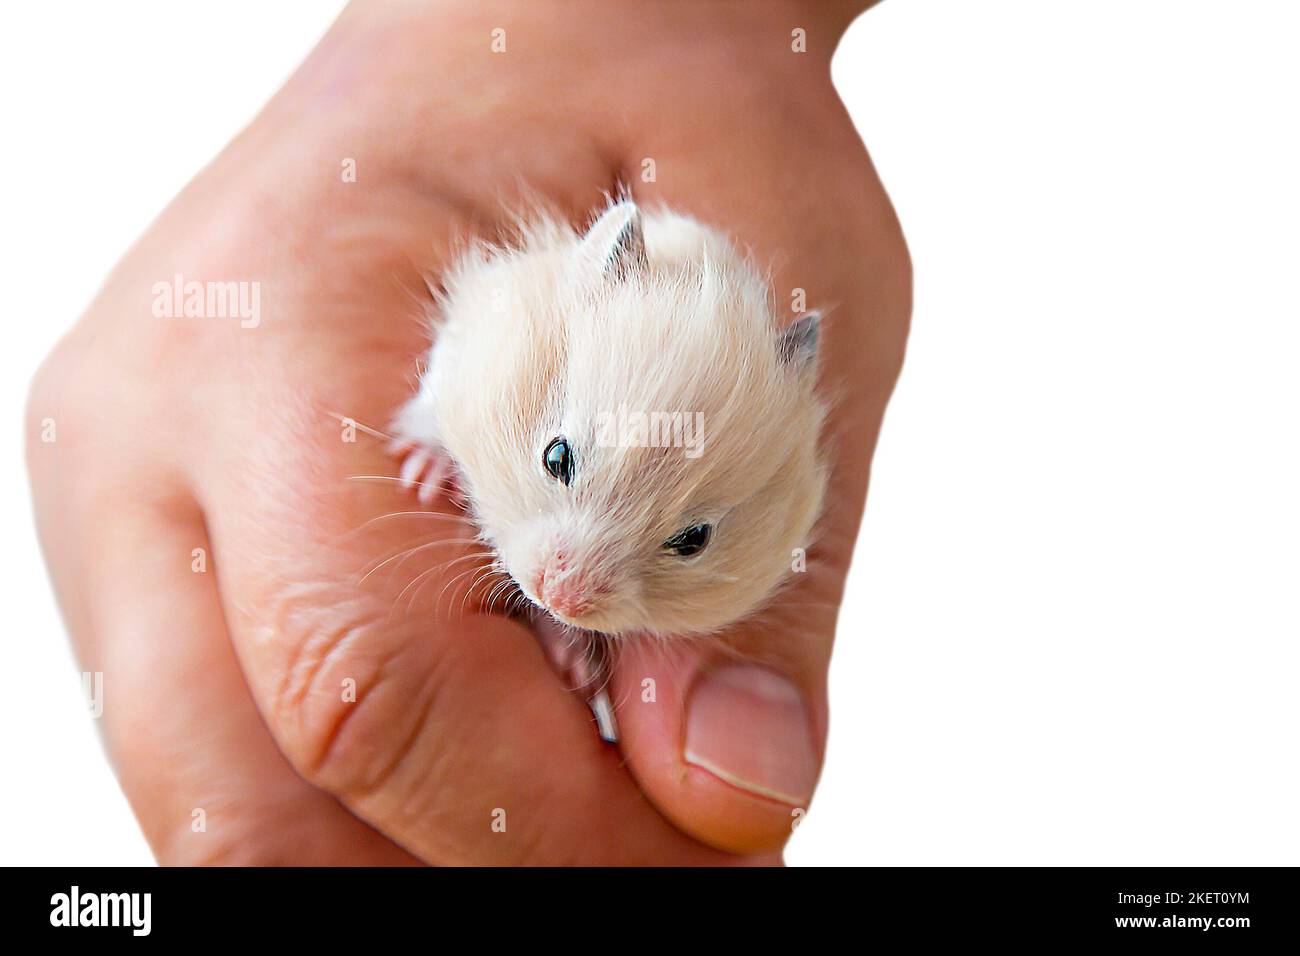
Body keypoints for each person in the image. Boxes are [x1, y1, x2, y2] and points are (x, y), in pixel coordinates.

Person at [26, 0, 910, 864]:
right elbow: (457, 368)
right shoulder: (529, 320)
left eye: (687, 540)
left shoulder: (764, 435)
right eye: (560, 460)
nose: (574, 582)